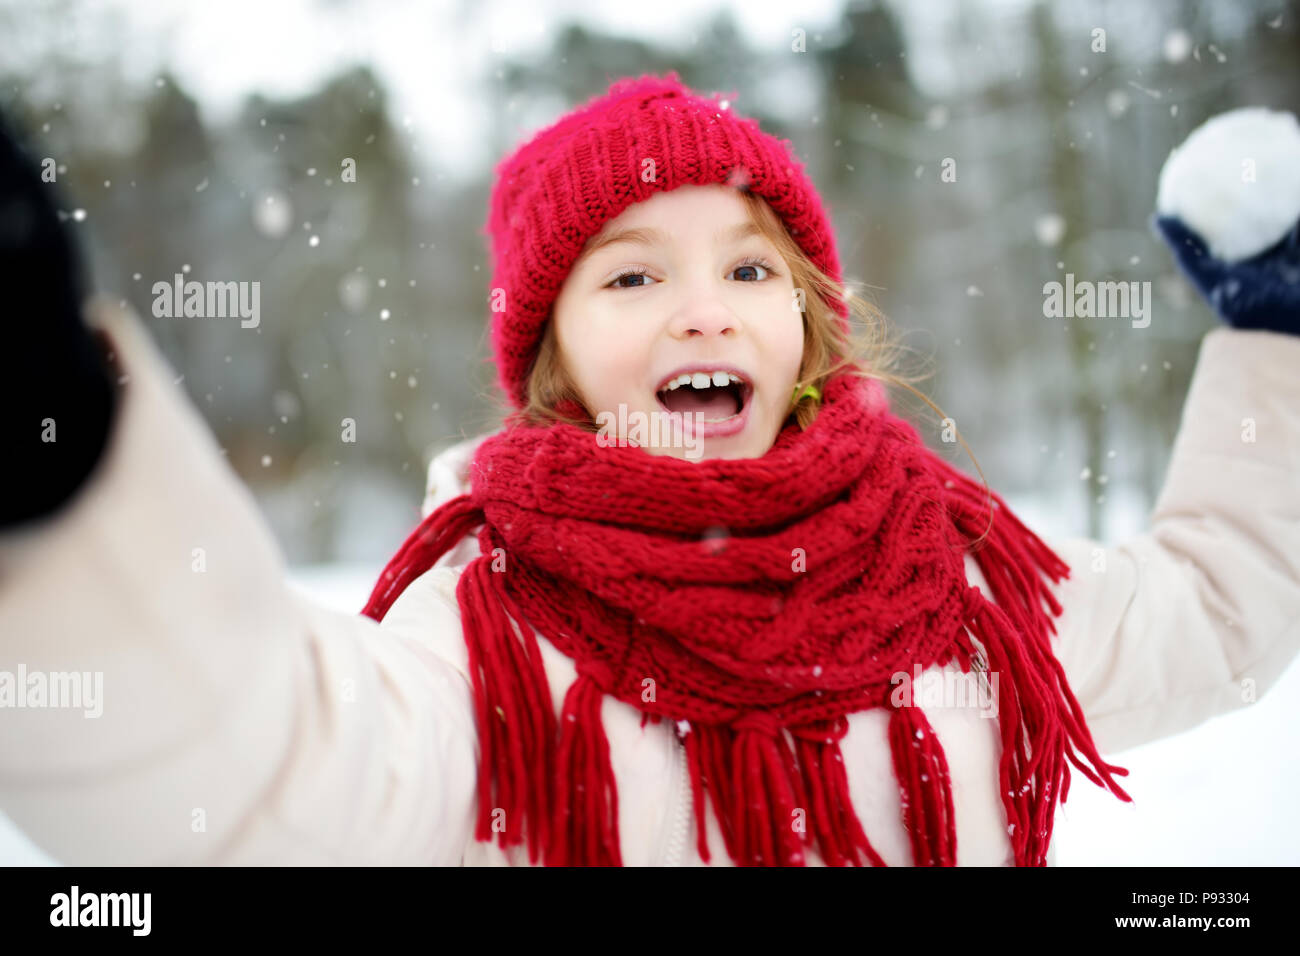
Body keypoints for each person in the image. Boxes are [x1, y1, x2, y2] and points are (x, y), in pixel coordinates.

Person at [1, 74, 1297, 867]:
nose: (706, 310)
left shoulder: (948, 572)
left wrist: (1277, 345)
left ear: (808, 320)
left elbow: (1214, 604)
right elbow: (265, 773)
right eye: (631, 274)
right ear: (549, 351)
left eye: (750, 267)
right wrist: (61, 457)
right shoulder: (489, 632)